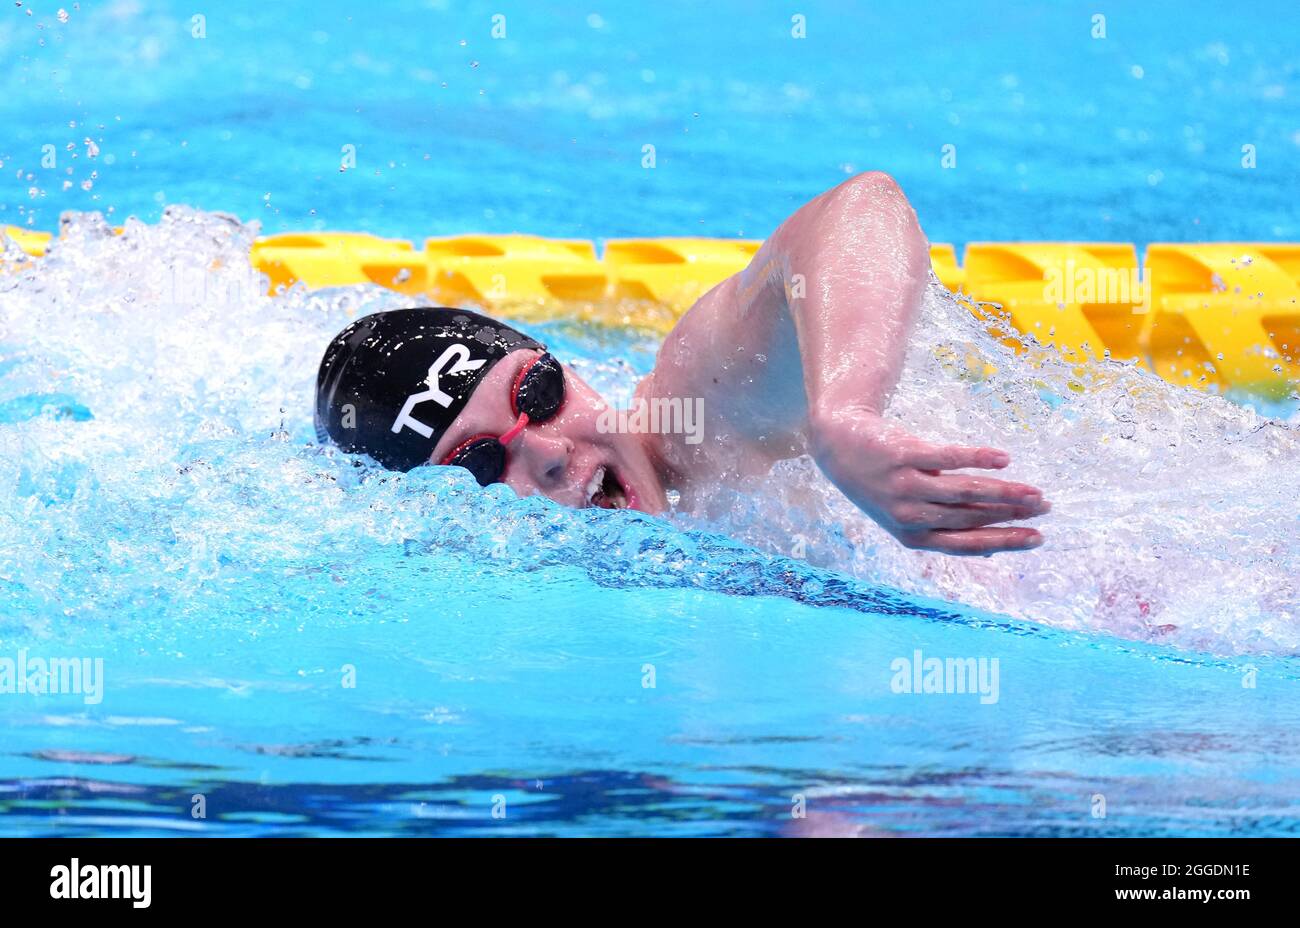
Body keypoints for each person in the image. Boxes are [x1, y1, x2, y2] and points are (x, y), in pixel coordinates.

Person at [315, 172, 1050, 556]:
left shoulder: (701, 415)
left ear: (561, 363)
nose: (544, 451)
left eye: (537, 392)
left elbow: (863, 206)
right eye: (476, 464)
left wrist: (846, 409)